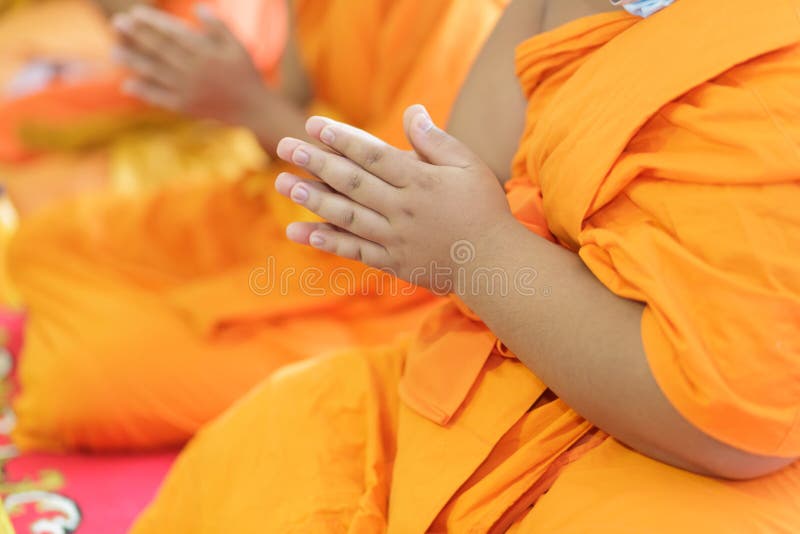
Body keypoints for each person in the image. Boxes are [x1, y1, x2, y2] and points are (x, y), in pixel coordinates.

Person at [132, 0, 800, 531]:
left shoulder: (772, 70)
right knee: (250, 452)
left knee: (104, 359)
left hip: (655, 437)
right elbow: (452, 170)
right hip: (470, 322)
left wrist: (476, 252)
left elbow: (735, 417)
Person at [6, 0, 506, 451]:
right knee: (43, 243)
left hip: (381, 287)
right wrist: (224, 92)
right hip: (284, 211)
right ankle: (133, 308)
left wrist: (247, 104)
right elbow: (286, 117)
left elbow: (402, 208)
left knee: (74, 380)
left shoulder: (457, 16)